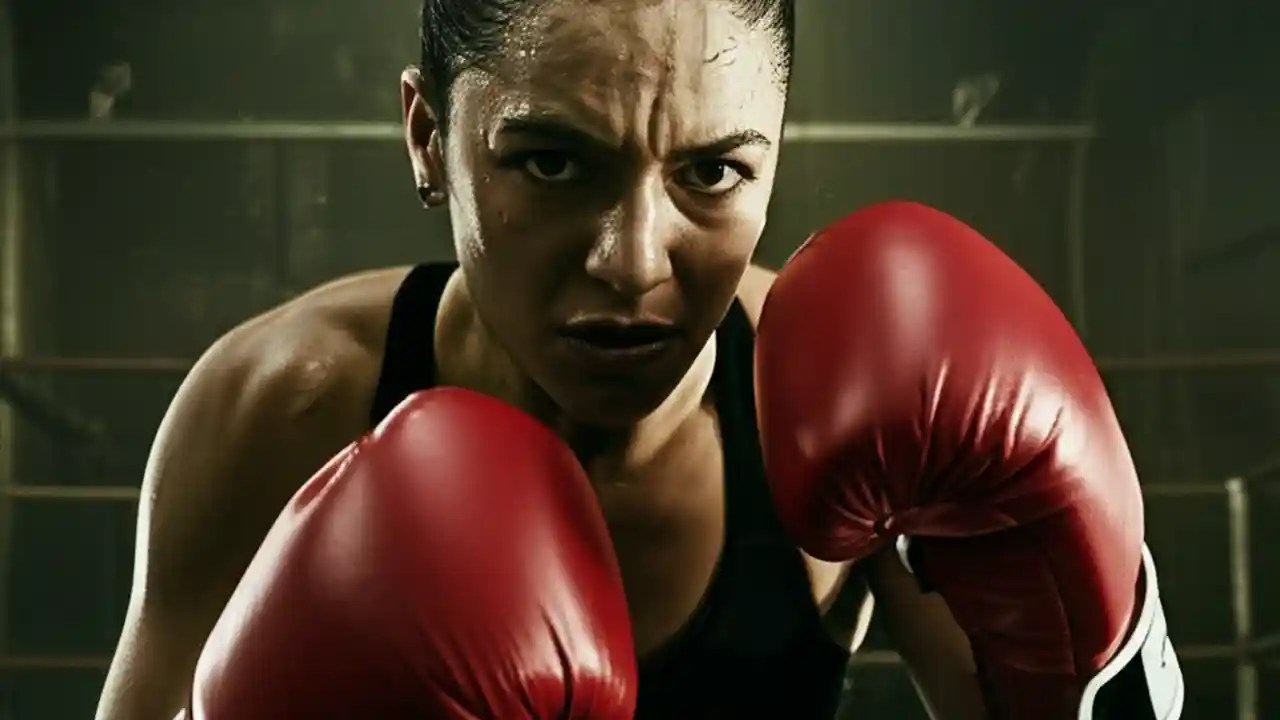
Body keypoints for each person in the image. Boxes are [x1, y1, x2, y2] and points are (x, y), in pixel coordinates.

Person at [97, 0, 1182, 718]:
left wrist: (1106, 639)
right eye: (553, 161)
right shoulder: (281, 412)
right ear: (428, 139)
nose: (631, 263)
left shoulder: (864, 400)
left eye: (711, 171)